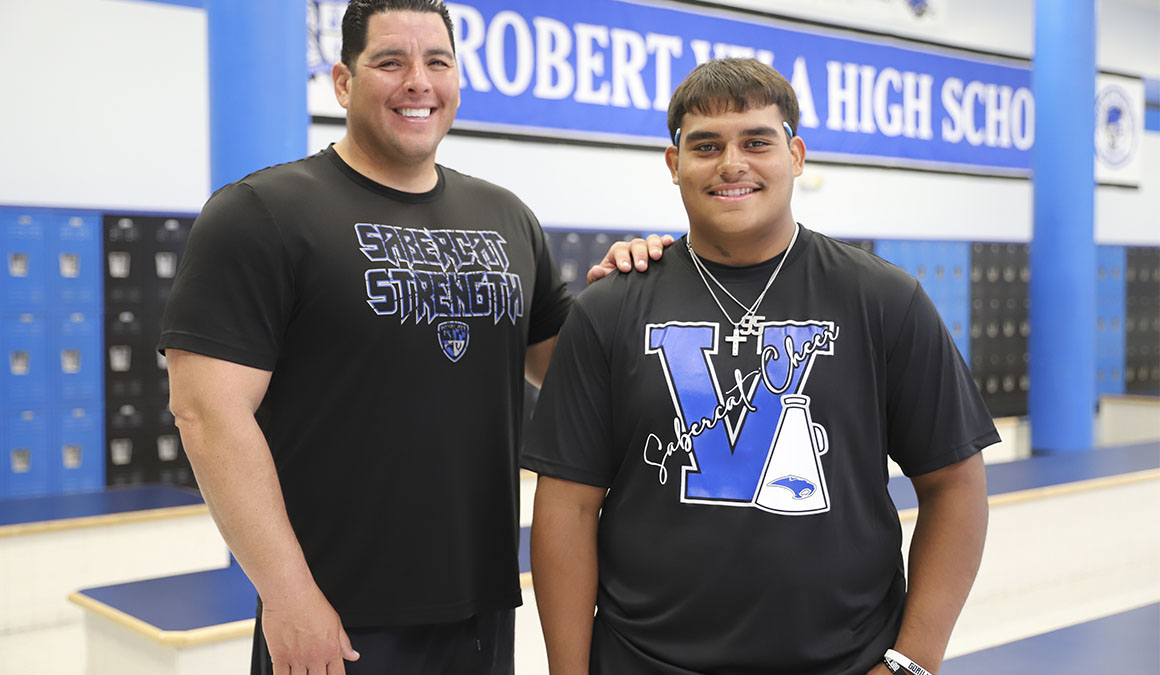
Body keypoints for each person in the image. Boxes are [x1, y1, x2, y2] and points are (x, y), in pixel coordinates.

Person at [159, 1, 665, 673]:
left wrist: (627, 289)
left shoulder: (505, 215)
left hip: (482, 607)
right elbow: (207, 413)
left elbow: (568, 368)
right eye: (390, 62)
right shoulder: (262, 213)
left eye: (437, 62)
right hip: (338, 612)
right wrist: (288, 595)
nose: (418, 82)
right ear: (343, 82)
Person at [525, 57, 997, 675]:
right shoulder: (610, 307)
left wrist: (912, 662)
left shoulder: (883, 300)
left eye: (756, 142)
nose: (731, 164)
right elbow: (567, 507)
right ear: (674, 164)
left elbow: (955, 485)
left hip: (846, 661)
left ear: (795, 155)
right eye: (705, 146)